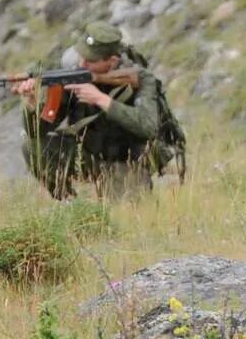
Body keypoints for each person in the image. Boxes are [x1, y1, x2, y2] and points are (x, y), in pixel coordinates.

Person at [15, 20, 175, 202]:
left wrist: (101, 99)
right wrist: (32, 102)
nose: (82, 63)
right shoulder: (74, 74)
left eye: (91, 61)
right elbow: (38, 131)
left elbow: (148, 127)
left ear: (112, 61)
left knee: (128, 218)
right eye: (81, 56)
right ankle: (68, 202)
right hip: (87, 154)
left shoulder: (141, 78)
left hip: (127, 162)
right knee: (33, 147)